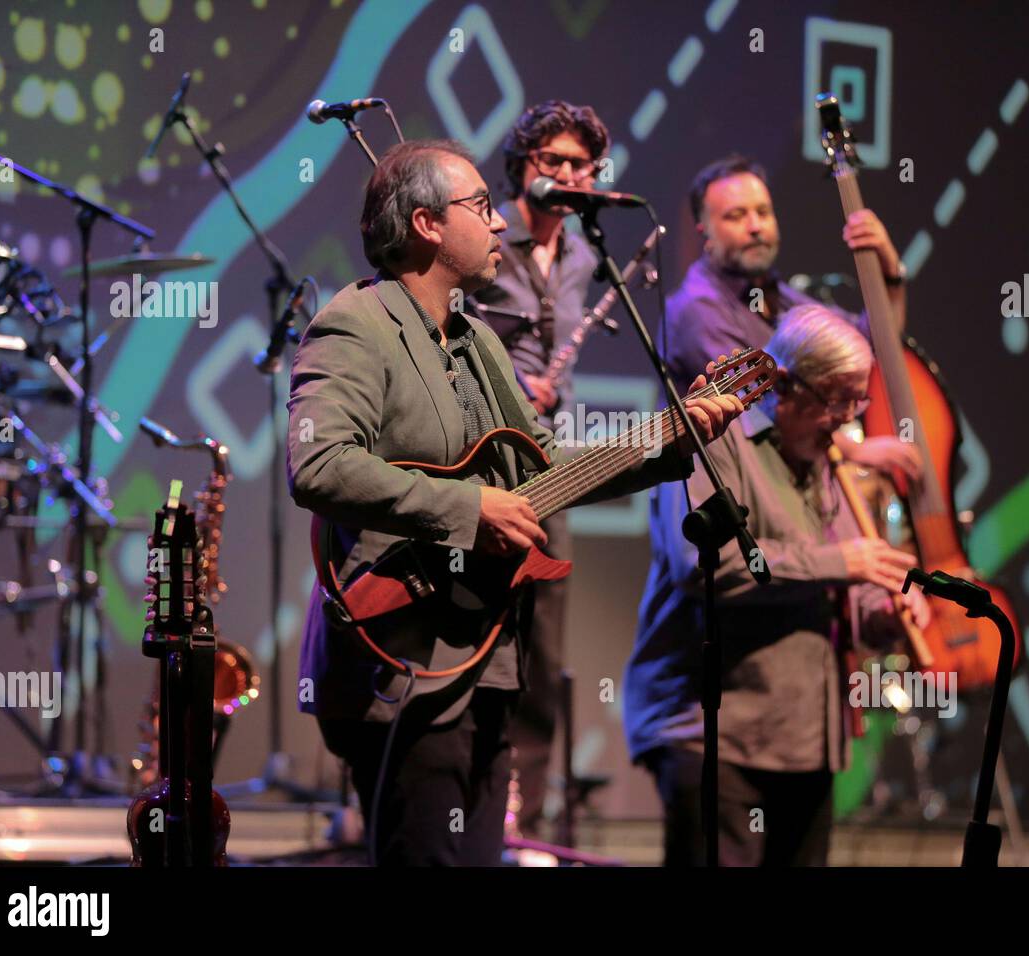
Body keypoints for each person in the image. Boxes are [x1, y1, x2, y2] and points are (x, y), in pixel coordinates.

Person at [287, 139, 742, 865]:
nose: (501, 224)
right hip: (403, 660)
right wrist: (470, 510)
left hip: (488, 658)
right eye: (481, 208)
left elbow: (544, 469)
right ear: (428, 224)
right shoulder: (354, 326)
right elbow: (319, 465)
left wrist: (672, 440)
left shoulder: (477, 342)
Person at [623, 304, 931, 866]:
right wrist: (841, 562)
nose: (848, 419)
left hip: (807, 736)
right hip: (714, 729)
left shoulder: (828, 462)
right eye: (838, 399)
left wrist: (882, 615)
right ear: (784, 385)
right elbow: (699, 565)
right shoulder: (714, 440)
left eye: (857, 401)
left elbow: (835, 591)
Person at [470, 100, 611, 833]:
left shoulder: (587, 254)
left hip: (551, 457)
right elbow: (448, 328)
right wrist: (510, 380)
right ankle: (472, 801)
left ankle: (528, 815)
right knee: (477, 623)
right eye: (549, 161)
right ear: (523, 167)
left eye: (577, 165)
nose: (563, 174)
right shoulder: (488, 234)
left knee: (545, 636)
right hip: (482, 453)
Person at [663, 154, 920, 482]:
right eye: (736, 216)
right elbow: (762, 405)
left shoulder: (781, 296)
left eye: (763, 212)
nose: (755, 226)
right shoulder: (694, 309)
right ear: (705, 229)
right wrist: (856, 450)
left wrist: (890, 271)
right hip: (733, 491)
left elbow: (872, 343)